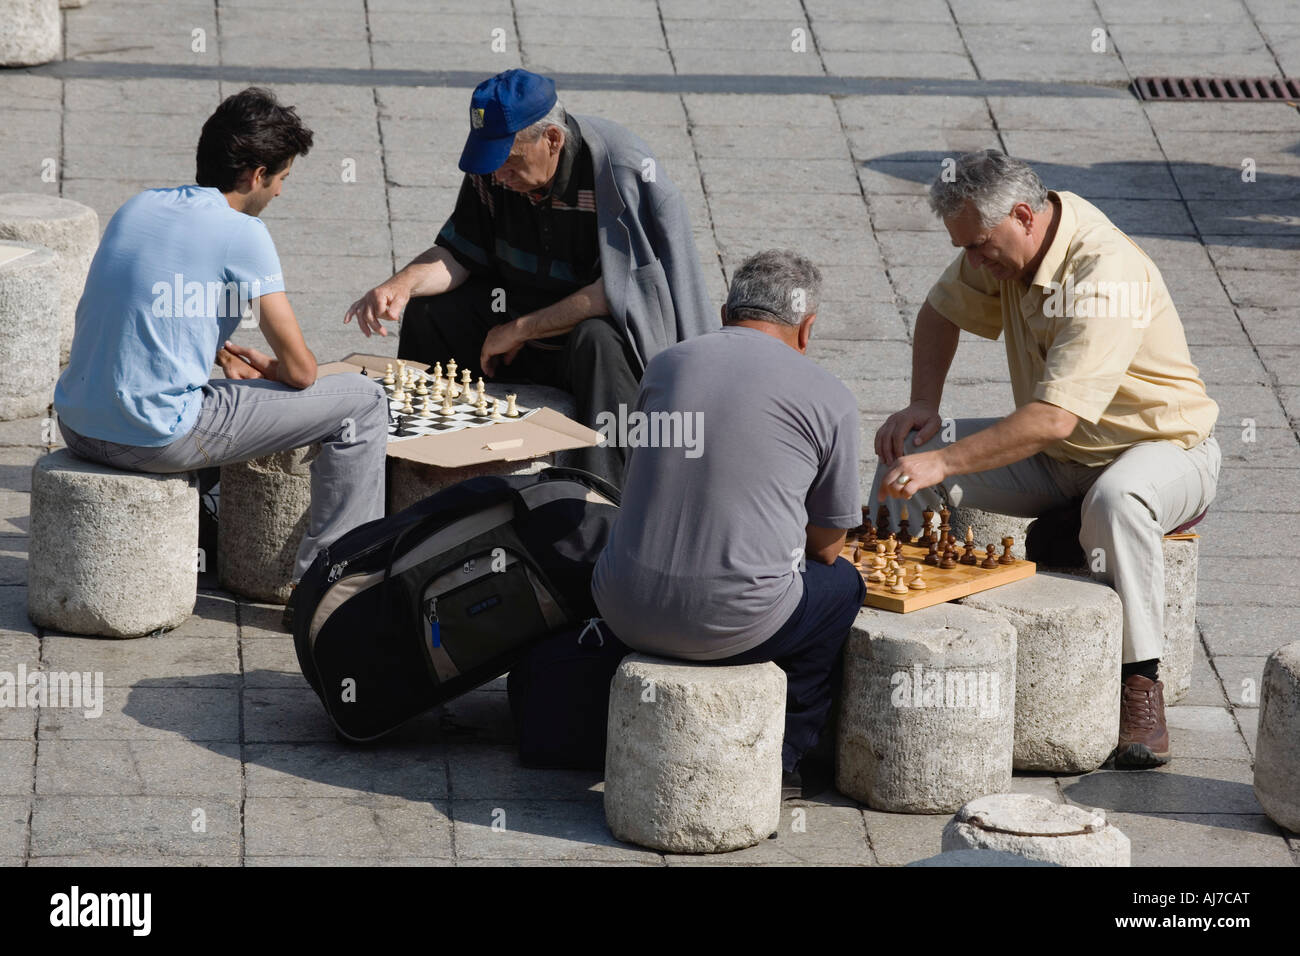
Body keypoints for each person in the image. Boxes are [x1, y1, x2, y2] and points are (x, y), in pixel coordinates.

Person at [871, 149, 1220, 768]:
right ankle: (908, 626)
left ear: (1025, 217)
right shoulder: (998, 243)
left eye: (978, 247)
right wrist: (923, 405)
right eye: (966, 248)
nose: (973, 262)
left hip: (1163, 452)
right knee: (910, 456)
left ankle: (1141, 684)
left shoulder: (1102, 273)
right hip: (1060, 459)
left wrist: (948, 463)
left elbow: (1055, 417)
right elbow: (938, 312)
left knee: (1118, 499)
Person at [53, 87, 388, 628]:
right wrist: (272, 372)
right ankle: (328, 592)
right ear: (257, 174)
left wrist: (217, 352)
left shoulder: (138, 205)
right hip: (152, 438)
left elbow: (143, 308)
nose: (280, 194)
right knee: (365, 402)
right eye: (281, 180)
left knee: (228, 387)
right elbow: (302, 372)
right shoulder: (244, 233)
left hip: (76, 422)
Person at [344, 69, 716, 487]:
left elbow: (619, 293)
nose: (498, 174)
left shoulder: (617, 170)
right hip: (510, 330)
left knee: (598, 341)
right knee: (430, 312)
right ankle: (410, 462)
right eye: (492, 161)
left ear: (552, 140)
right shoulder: (492, 171)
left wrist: (519, 329)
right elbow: (459, 254)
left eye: (509, 160)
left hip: (583, 342)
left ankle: (597, 503)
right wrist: (402, 284)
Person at [592, 250, 866, 793]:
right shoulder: (830, 396)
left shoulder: (666, 363)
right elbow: (829, 548)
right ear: (807, 328)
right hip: (736, 627)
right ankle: (785, 761)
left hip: (620, 604)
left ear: (725, 313)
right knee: (843, 586)